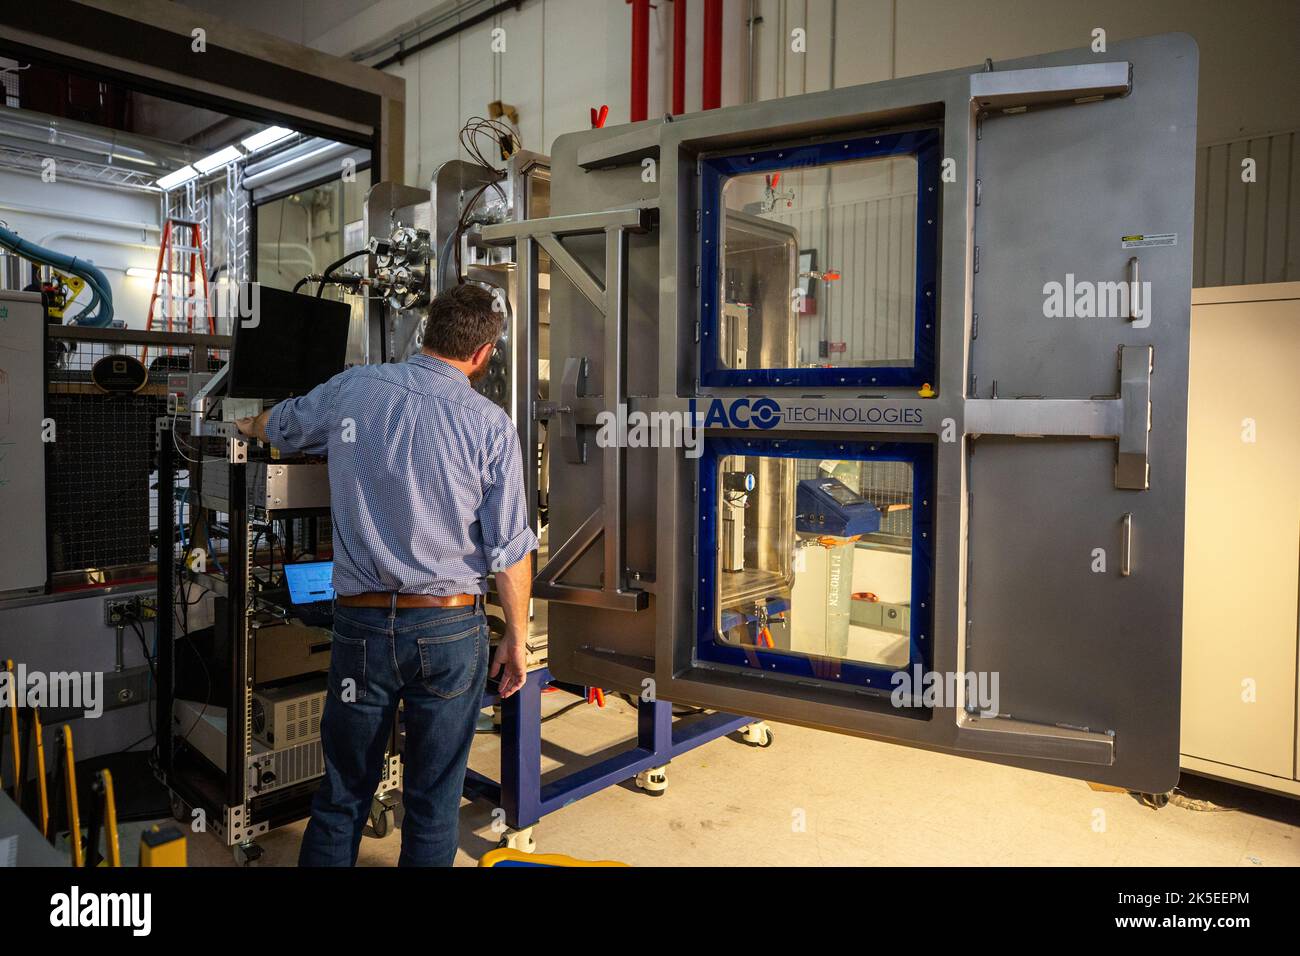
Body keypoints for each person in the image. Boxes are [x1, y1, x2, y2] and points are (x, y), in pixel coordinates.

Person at [236, 283, 537, 867]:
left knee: (343, 794)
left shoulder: (354, 388)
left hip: (361, 629)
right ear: (483, 354)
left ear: (424, 334)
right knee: (433, 805)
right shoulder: (490, 425)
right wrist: (517, 638)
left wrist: (248, 426)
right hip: (449, 633)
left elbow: (283, 423)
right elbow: (509, 548)